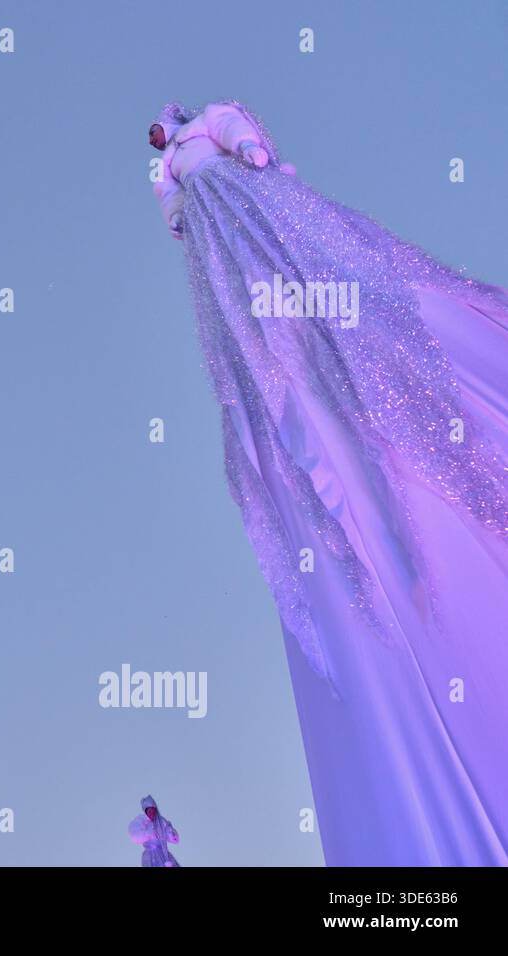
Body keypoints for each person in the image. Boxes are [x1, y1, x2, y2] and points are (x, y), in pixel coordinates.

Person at [150, 101, 508, 864]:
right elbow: (174, 212)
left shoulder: (205, 129)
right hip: (221, 243)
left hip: (249, 213)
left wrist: (246, 157)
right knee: (265, 345)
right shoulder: (171, 165)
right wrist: (185, 200)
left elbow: (242, 138)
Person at [129, 795, 180, 867]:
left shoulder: (161, 822)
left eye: (153, 811)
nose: (152, 813)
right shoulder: (142, 821)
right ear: (146, 812)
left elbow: (174, 840)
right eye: (150, 811)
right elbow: (136, 836)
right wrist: (150, 832)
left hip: (164, 855)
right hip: (151, 856)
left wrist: (170, 832)